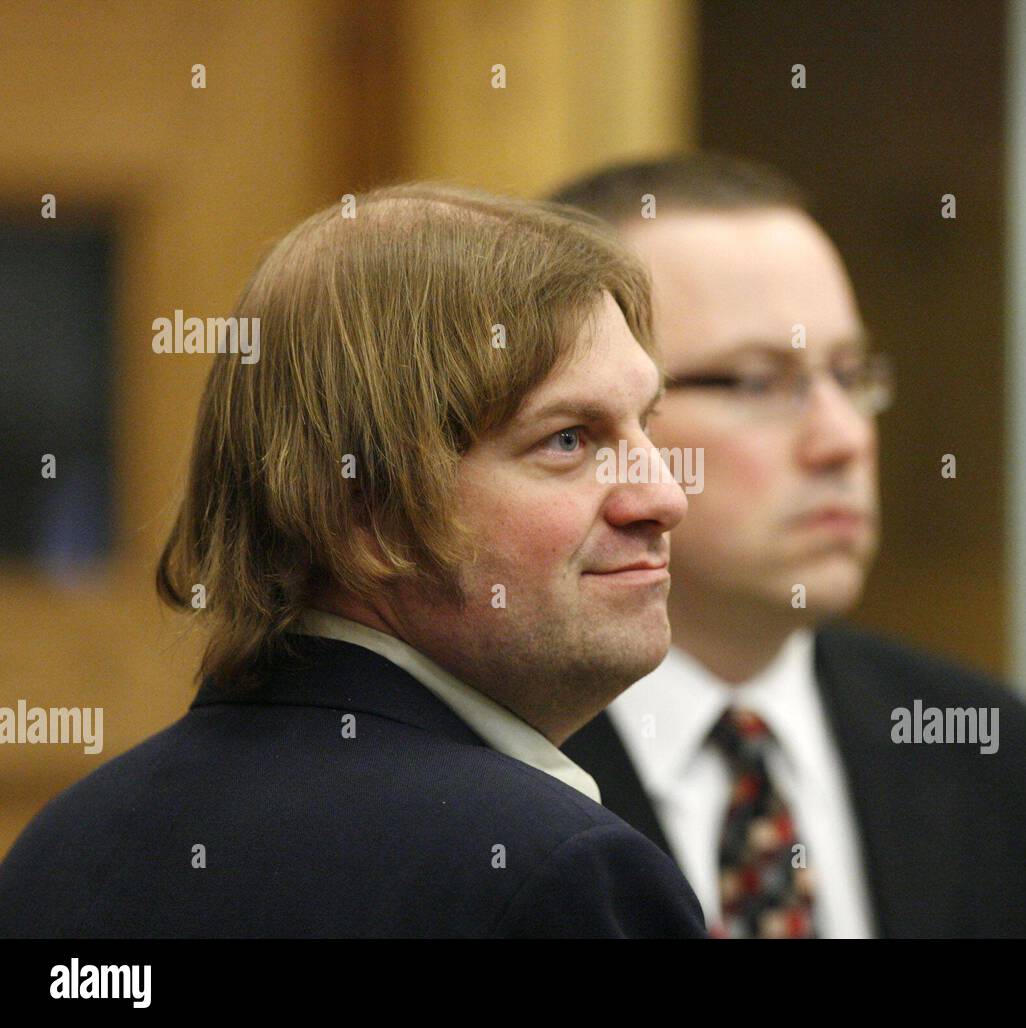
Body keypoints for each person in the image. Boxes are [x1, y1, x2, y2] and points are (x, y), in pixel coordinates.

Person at [0, 182, 707, 939]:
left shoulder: (61, 850)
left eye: (647, 427)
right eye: (569, 440)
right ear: (366, 513)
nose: (663, 496)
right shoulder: (552, 874)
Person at [550, 154, 1026, 939]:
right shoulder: (488, 771)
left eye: (849, 373)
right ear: (593, 421)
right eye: (758, 381)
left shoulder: (999, 756)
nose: (842, 439)